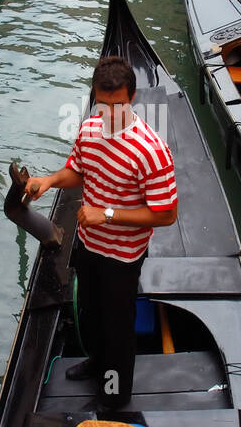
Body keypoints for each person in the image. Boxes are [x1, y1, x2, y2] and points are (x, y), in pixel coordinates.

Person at [24, 55, 177, 406]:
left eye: (118, 106)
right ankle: (97, 363)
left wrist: (106, 214)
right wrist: (49, 180)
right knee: (90, 313)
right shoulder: (91, 128)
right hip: (89, 243)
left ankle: (117, 394)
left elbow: (166, 214)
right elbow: (78, 170)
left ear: (132, 98)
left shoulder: (151, 150)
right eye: (102, 105)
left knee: (118, 327)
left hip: (123, 256)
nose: (109, 114)